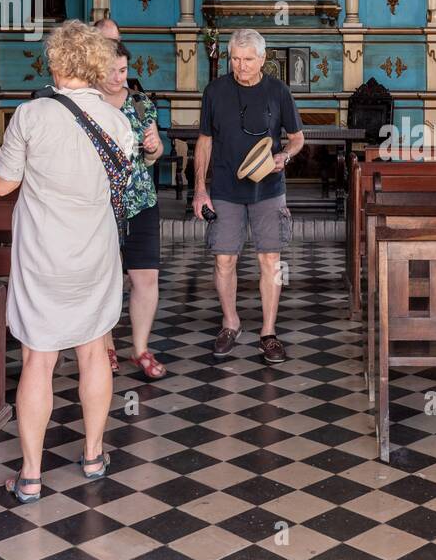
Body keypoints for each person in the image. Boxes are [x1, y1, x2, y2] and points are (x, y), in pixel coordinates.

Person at [0, 21, 135, 503]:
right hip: (94, 253)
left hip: (42, 257)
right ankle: (93, 454)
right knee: (94, 353)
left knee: (39, 358)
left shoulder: (30, 116)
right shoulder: (117, 122)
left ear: (53, 62)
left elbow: (2, 185)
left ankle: (30, 475)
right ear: (96, 64)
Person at [191, 28, 305, 364]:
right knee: (224, 259)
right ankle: (230, 322)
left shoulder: (278, 91)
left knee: (270, 260)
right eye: (235, 59)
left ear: (263, 59)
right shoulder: (215, 91)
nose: (241, 67)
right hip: (225, 188)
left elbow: (298, 138)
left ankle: (268, 332)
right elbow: (204, 141)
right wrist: (200, 190)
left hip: (268, 190)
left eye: (248, 60)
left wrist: (285, 155)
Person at [100, 40, 166, 380]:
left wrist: (154, 148)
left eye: (123, 70)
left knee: (146, 276)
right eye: (111, 70)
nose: (117, 78)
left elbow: (154, 153)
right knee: (106, 280)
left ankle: (139, 347)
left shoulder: (140, 104)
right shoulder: (87, 104)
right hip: (99, 206)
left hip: (140, 200)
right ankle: (106, 347)